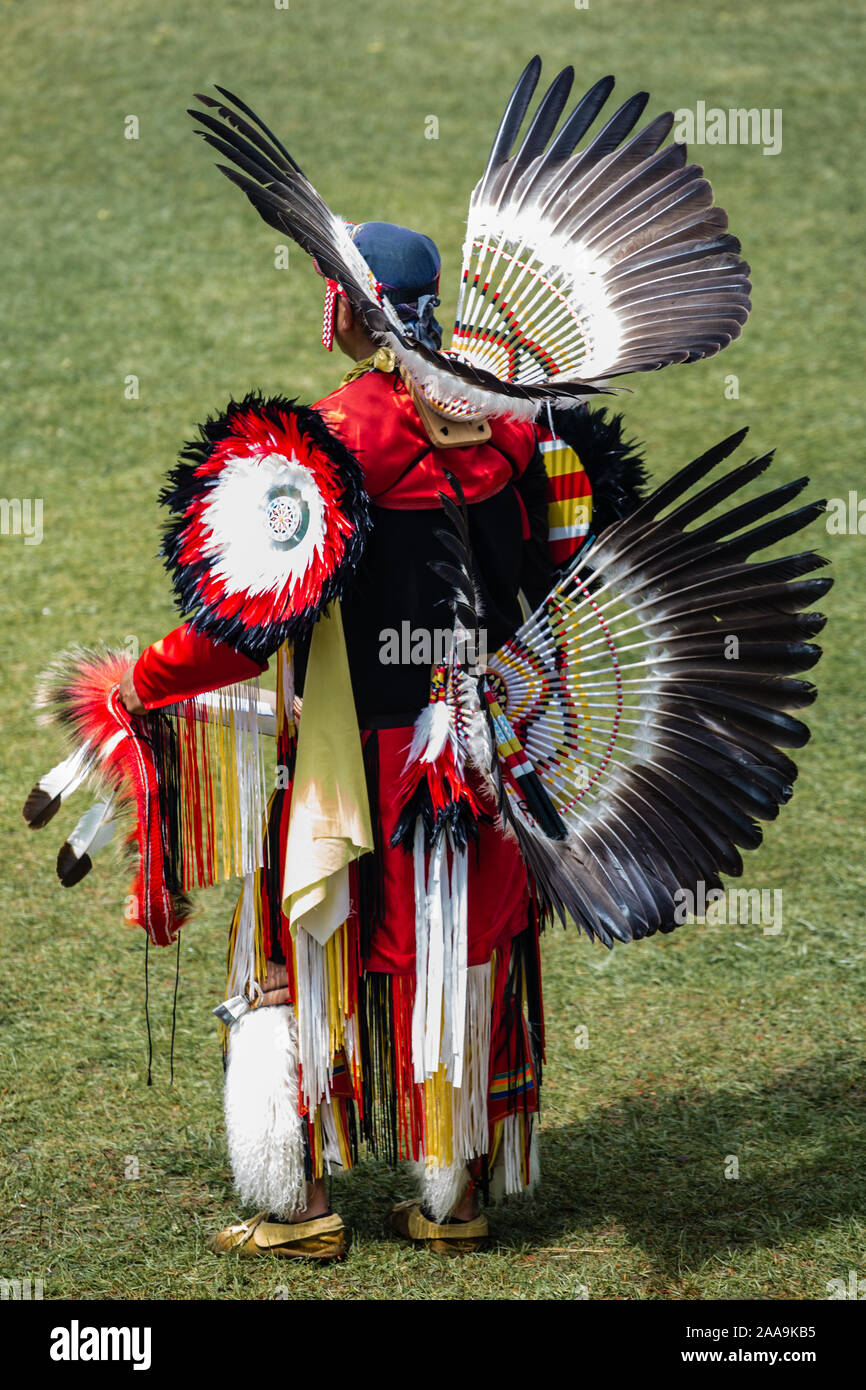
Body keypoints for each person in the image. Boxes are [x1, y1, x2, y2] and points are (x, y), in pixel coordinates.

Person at [119, 222, 558, 1258]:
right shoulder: (511, 423)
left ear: (343, 308)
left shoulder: (331, 441)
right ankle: (452, 1201)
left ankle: (296, 1202)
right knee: (463, 956)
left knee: (287, 960)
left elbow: (247, 626)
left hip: (350, 766)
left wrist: (141, 679)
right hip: (480, 755)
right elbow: (550, 573)